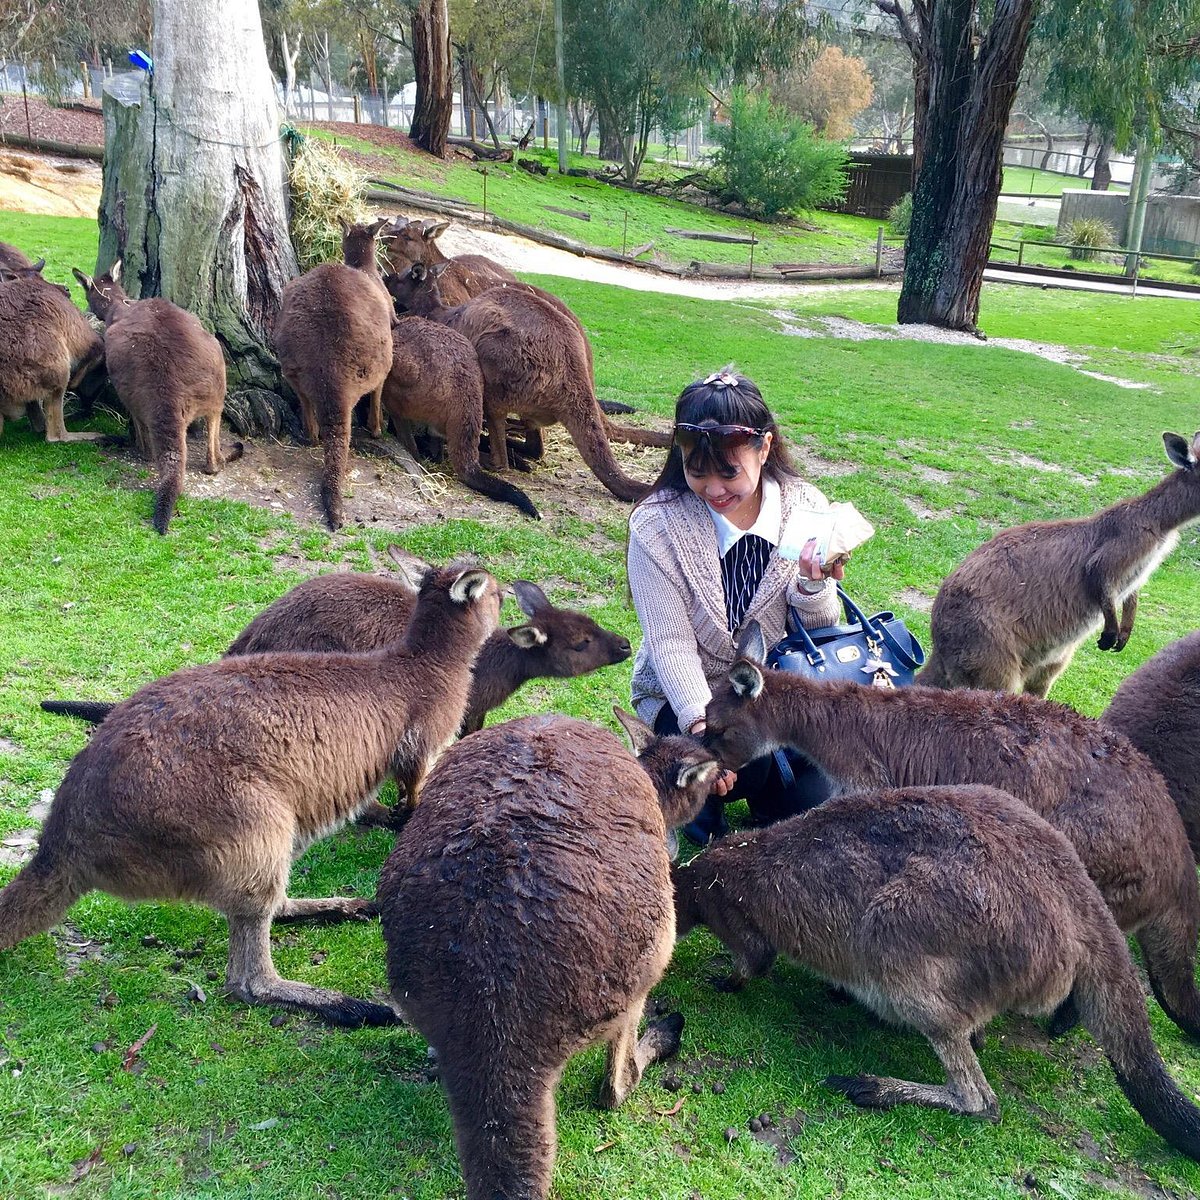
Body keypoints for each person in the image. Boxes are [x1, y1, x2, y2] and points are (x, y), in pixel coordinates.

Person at [627, 368, 851, 844]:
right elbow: (669, 644)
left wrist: (813, 587)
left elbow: (818, 628)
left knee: (812, 807)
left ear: (763, 448)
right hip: (685, 697)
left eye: (728, 472)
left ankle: (762, 781)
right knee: (717, 778)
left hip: (770, 691)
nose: (713, 490)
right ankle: (709, 794)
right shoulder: (656, 525)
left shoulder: (805, 506)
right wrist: (702, 729)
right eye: (697, 472)